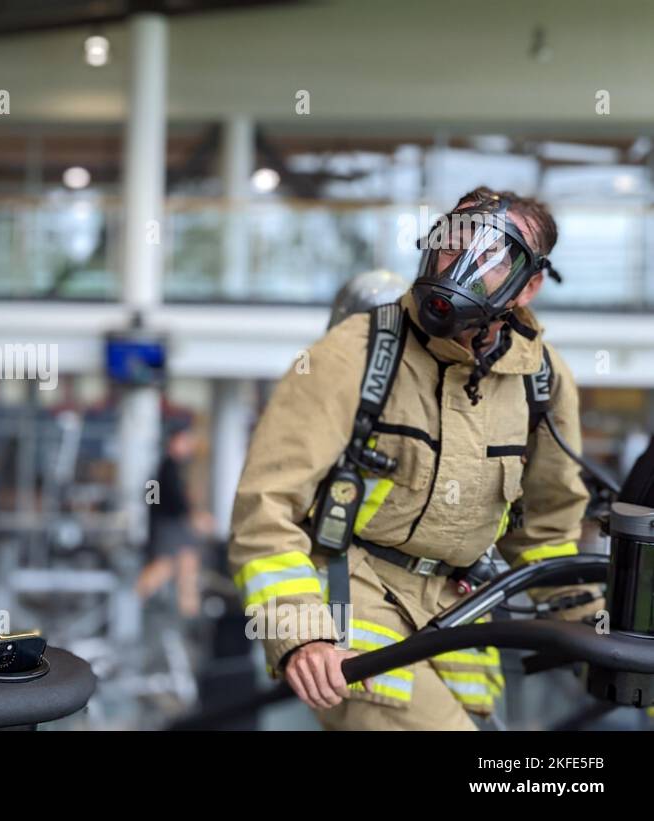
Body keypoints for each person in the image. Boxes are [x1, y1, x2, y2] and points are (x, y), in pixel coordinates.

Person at [229, 187, 602, 730]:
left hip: (462, 616)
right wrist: (301, 632)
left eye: (490, 256)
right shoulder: (353, 352)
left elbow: (547, 537)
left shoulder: (542, 379)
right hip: (351, 608)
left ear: (530, 286)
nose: (457, 264)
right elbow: (266, 509)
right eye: (448, 245)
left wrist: (600, 633)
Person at [136, 415, 213, 619]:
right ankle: (132, 606)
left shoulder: (172, 468)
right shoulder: (168, 468)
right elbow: (173, 501)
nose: (190, 445)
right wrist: (194, 517)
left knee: (185, 564)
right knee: (168, 566)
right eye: (186, 440)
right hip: (168, 530)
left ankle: (189, 612)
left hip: (169, 530)